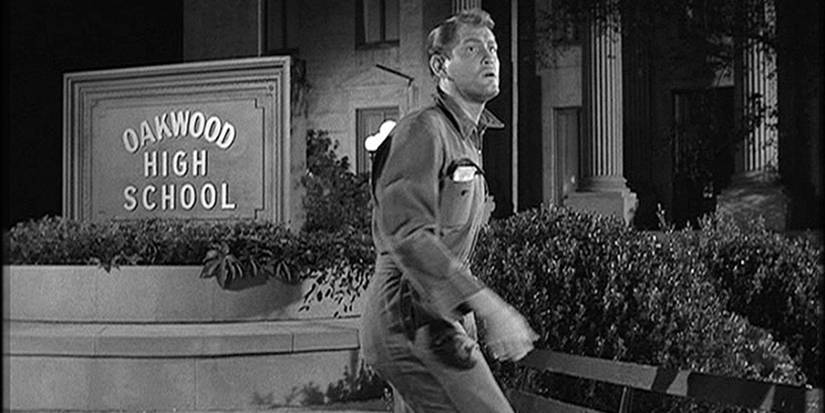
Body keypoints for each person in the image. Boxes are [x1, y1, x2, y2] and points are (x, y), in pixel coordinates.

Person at [360, 8, 538, 413]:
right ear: (440, 66)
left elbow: (448, 241)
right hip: (410, 320)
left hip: (435, 319)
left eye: (493, 48)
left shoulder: (465, 139)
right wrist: (490, 307)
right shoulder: (423, 130)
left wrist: (466, 314)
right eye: (472, 49)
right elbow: (409, 235)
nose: (490, 57)